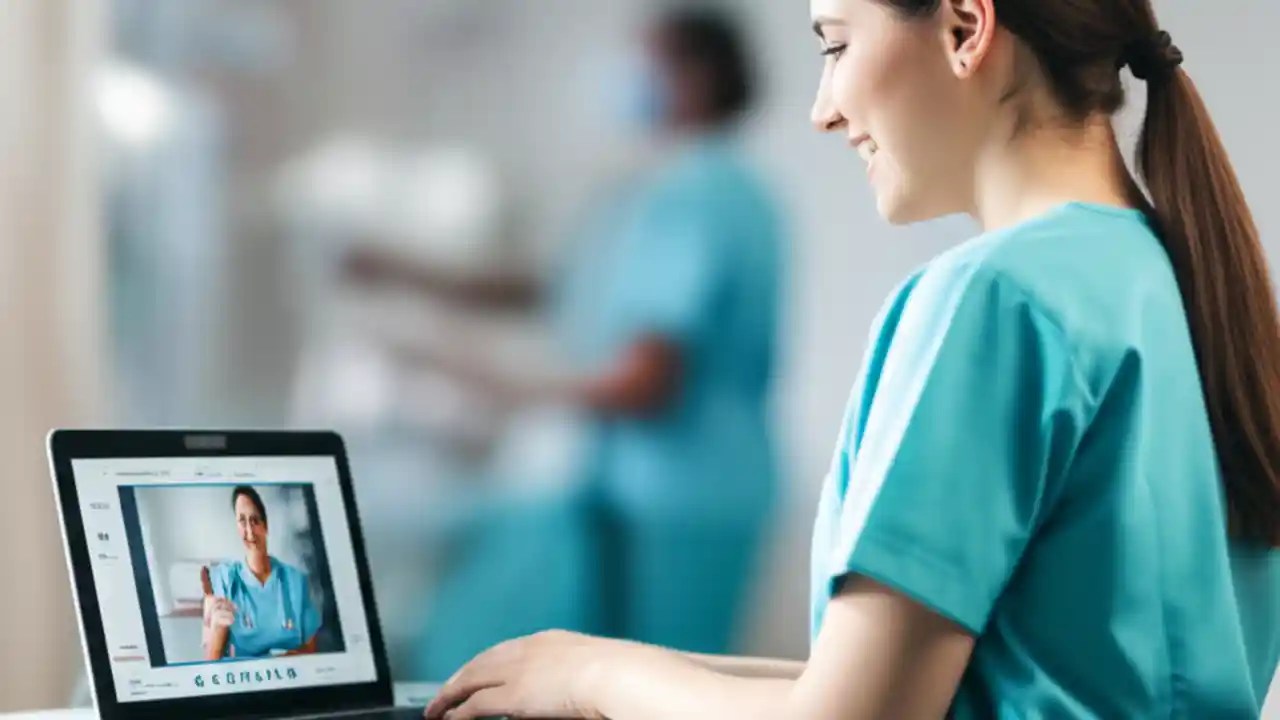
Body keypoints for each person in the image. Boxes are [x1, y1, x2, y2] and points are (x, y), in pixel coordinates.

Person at [423, 0, 1280, 717]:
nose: (823, 107)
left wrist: (590, 677)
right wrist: (590, 664)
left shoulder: (995, 300)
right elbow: (953, 683)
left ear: (963, 29)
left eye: (835, 45)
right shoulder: (1178, 278)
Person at [350, 7, 785, 658]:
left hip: (678, 501)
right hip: (667, 496)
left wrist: (501, 386)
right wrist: (403, 270)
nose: (625, 77)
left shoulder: (695, 196)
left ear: (692, 77)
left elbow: (648, 379)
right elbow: (558, 286)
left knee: (668, 687)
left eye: (645, 60)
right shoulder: (670, 192)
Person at [202, 486, 322, 660]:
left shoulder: (296, 581)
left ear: (265, 526)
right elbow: (212, 660)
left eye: (255, 520)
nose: (250, 531)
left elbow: (311, 651)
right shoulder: (225, 581)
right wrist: (216, 627)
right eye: (242, 521)